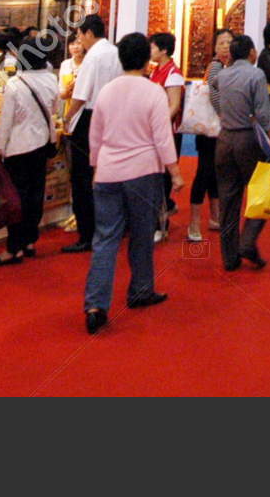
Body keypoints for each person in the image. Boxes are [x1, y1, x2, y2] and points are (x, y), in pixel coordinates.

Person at [84, 33, 182, 333]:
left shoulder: (107, 92)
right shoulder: (153, 92)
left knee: (105, 239)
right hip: (142, 173)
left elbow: (95, 135)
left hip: (108, 172)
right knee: (141, 235)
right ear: (144, 59)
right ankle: (140, 290)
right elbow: (162, 137)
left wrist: (95, 166)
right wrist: (175, 172)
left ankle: (96, 304)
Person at [0, 34, 61, 265]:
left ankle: (13, 248)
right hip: (42, 145)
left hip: (18, 148)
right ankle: (30, 240)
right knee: (35, 194)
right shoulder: (51, 80)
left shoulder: (14, 85)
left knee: (16, 198)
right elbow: (55, 109)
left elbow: (6, 122)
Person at [210, 33, 270, 270]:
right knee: (264, 191)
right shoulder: (256, 74)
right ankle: (248, 241)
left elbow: (214, 86)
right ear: (251, 53)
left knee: (228, 200)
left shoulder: (222, 75)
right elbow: (263, 115)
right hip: (248, 139)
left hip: (225, 139)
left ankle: (229, 258)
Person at [61, 14, 119, 253]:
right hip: (113, 116)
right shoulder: (115, 52)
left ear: (88, 33)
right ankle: (109, 227)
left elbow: (80, 96)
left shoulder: (93, 57)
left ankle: (87, 233)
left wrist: (65, 119)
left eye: (79, 36)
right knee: (106, 175)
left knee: (82, 178)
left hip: (89, 118)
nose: (79, 41)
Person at [184, 30, 230, 240]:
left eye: (230, 42)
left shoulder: (227, 66)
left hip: (217, 128)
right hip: (210, 129)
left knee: (214, 172)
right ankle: (194, 223)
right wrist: (223, 114)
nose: (226, 46)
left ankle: (215, 216)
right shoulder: (216, 66)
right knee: (204, 172)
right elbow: (213, 92)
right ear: (215, 47)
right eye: (222, 42)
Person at [149, 32, 187, 238]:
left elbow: (174, 106)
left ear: (164, 50)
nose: (150, 51)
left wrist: (160, 125)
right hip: (155, 131)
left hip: (168, 132)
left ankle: (160, 225)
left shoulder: (173, 74)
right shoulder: (156, 71)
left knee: (163, 179)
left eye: (153, 47)